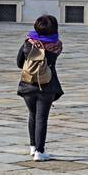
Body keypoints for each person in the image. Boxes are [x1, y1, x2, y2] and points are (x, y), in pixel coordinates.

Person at [16, 14, 64, 161]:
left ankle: (32, 147)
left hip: (28, 85)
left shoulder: (28, 43)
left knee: (32, 115)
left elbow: (19, 63)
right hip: (47, 85)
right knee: (42, 118)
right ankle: (39, 151)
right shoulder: (56, 46)